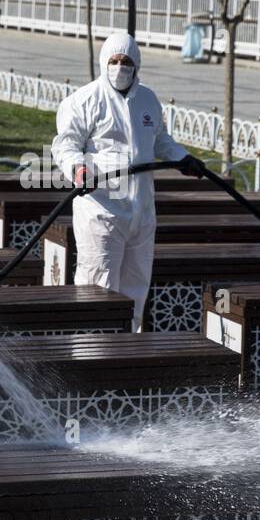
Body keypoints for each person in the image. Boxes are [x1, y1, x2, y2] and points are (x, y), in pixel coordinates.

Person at [51, 32, 206, 331]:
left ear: (137, 65)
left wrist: (183, 158)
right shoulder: (83, 101)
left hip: (142, 212)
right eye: (114, 61)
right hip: (102, 211)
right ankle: (91, 355)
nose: (120, 67)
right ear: (103, 62)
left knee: (135, 289)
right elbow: (65, 145)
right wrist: (78, 170)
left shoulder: (147, 99)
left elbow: (160, 140)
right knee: (98, 287)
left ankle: (126, 355)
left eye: (126, 62)